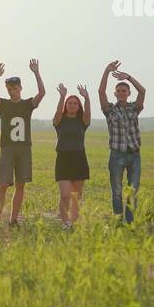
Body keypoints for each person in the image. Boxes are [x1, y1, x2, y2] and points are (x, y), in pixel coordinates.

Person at [0, 58, 46, 225]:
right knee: (3, 184)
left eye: (15, 88)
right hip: (7, 148)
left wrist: (36, 72)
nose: (13, 91)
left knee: (21, 185)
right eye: (10, 89)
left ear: (21, 88)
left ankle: (13, 219)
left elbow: (42, 93)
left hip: (24, 148)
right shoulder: (4, 104)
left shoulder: (27, 104)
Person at [98, 60, 145, 224]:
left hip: (134, 155)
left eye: (124, 90)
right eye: (119, 91)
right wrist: (106, 71)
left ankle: (130, 223)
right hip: (117, 155)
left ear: (128, 93)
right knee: (117, 191)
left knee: (132, 191)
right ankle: (118, 221)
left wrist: (129, 77)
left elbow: (143, 90)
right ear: (115, 93)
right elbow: (100, 91)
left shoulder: (134, 108)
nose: (122, 93)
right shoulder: (109, 110)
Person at [52, 84, 92, 228]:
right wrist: (62, 96)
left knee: (76, 195)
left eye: (75, 103)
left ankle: (73, 223)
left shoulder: (83, 121)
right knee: (65, 194)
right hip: (63, 158)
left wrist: (86, 97)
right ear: (66, 105)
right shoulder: (59, 121)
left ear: (78, 106)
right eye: (70, 103)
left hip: (79, 158)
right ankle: (65, 222)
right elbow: (57, 113)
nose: (73, 105)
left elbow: (88, 113)